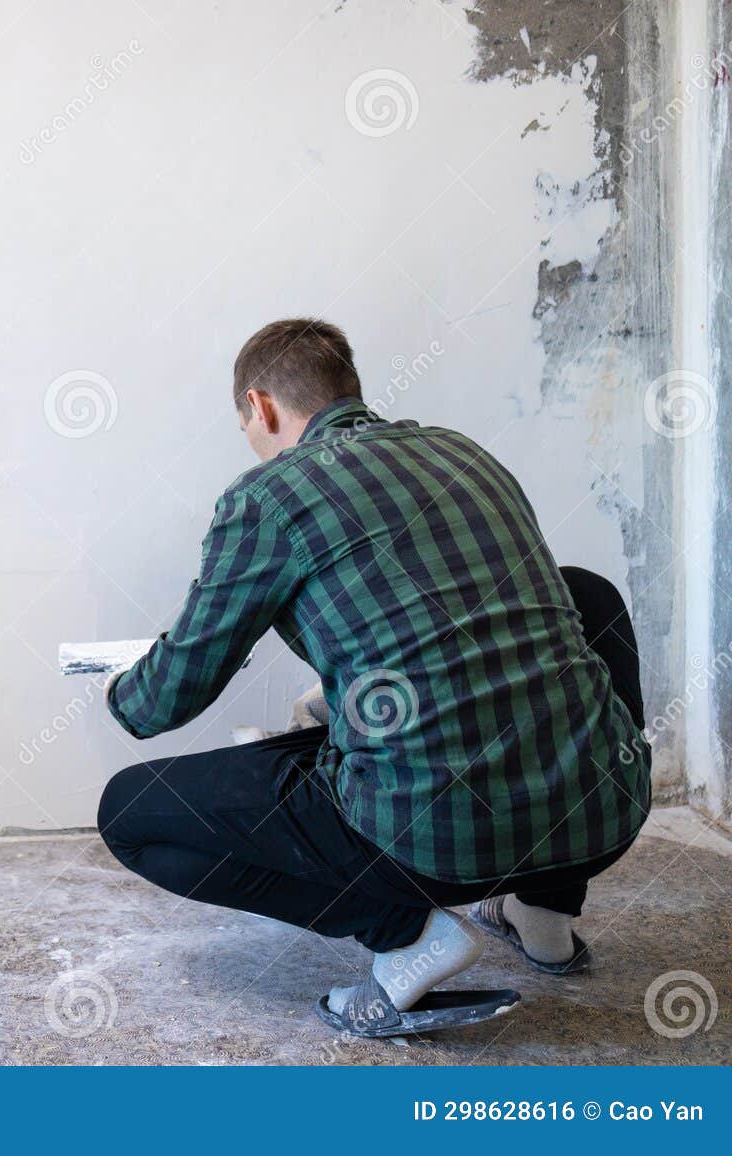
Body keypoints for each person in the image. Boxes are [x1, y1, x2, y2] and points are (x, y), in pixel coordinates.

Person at [97, 318, 650, 1037]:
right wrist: (345, 697)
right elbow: (465, 629)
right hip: (604, 817)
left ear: (260, 408)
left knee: (132, 814)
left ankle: (407, 933)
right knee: (584, 594)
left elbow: (164, 700)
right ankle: (545, 912)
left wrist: (119, 686)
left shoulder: (268, 497)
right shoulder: (463, 454)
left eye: (248, 427)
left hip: (434, 842)